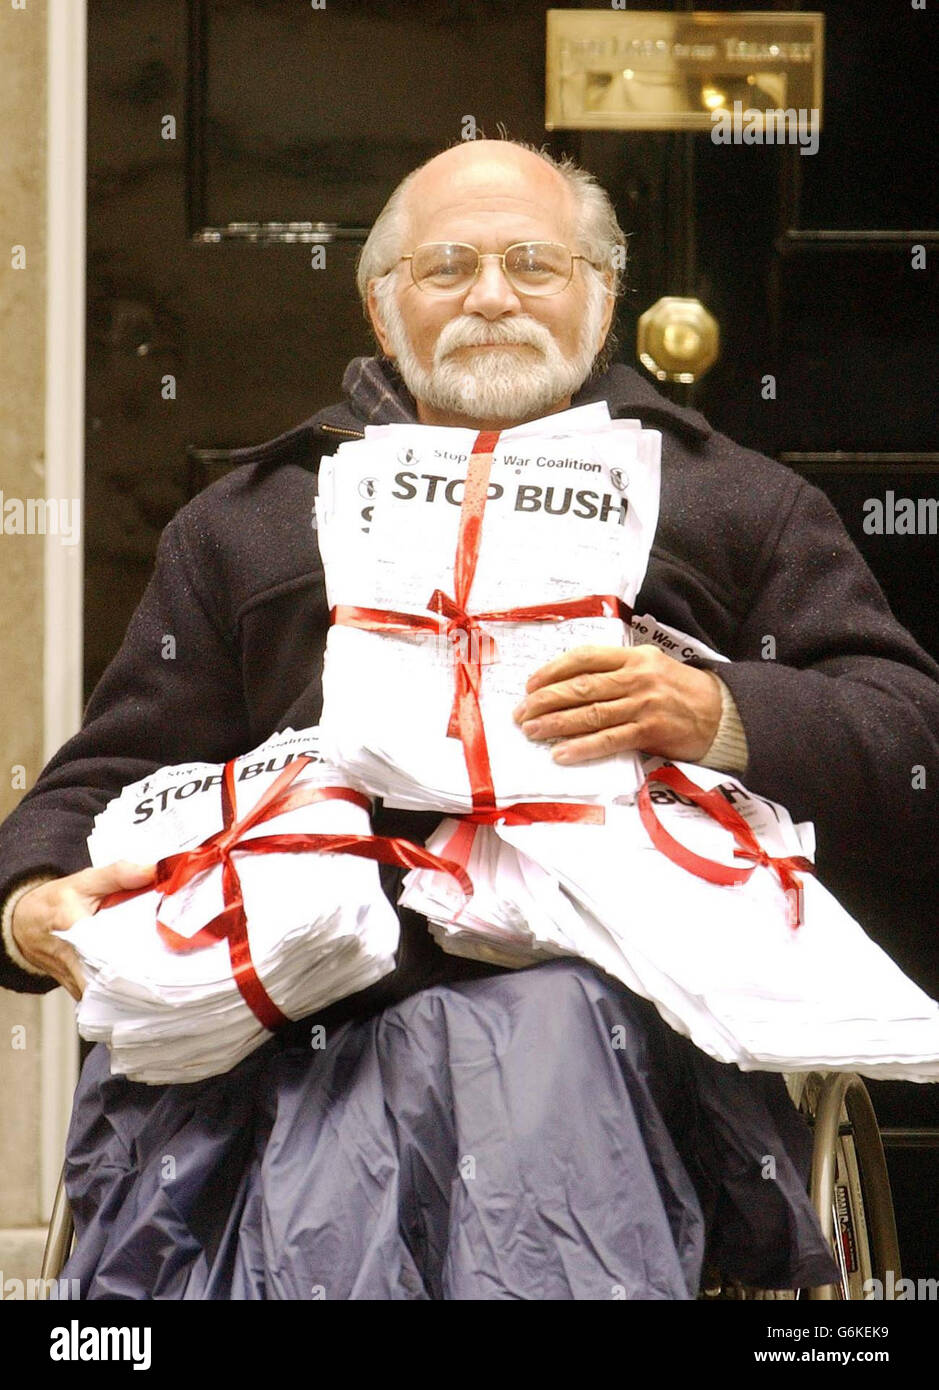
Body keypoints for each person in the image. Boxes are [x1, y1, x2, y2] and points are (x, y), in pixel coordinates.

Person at [1, 140, 936, 1299]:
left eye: (532, 265)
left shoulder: (732, 502)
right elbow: (106, 776)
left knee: (527, 1040)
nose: (492, 296)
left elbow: (907, 741)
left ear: (601, 297)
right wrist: (31, 903)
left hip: (605, 1019)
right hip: (303, 996)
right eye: (448, 268)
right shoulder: (247, 523)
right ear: (383, 309)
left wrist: (720, 711)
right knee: (347, 1053)